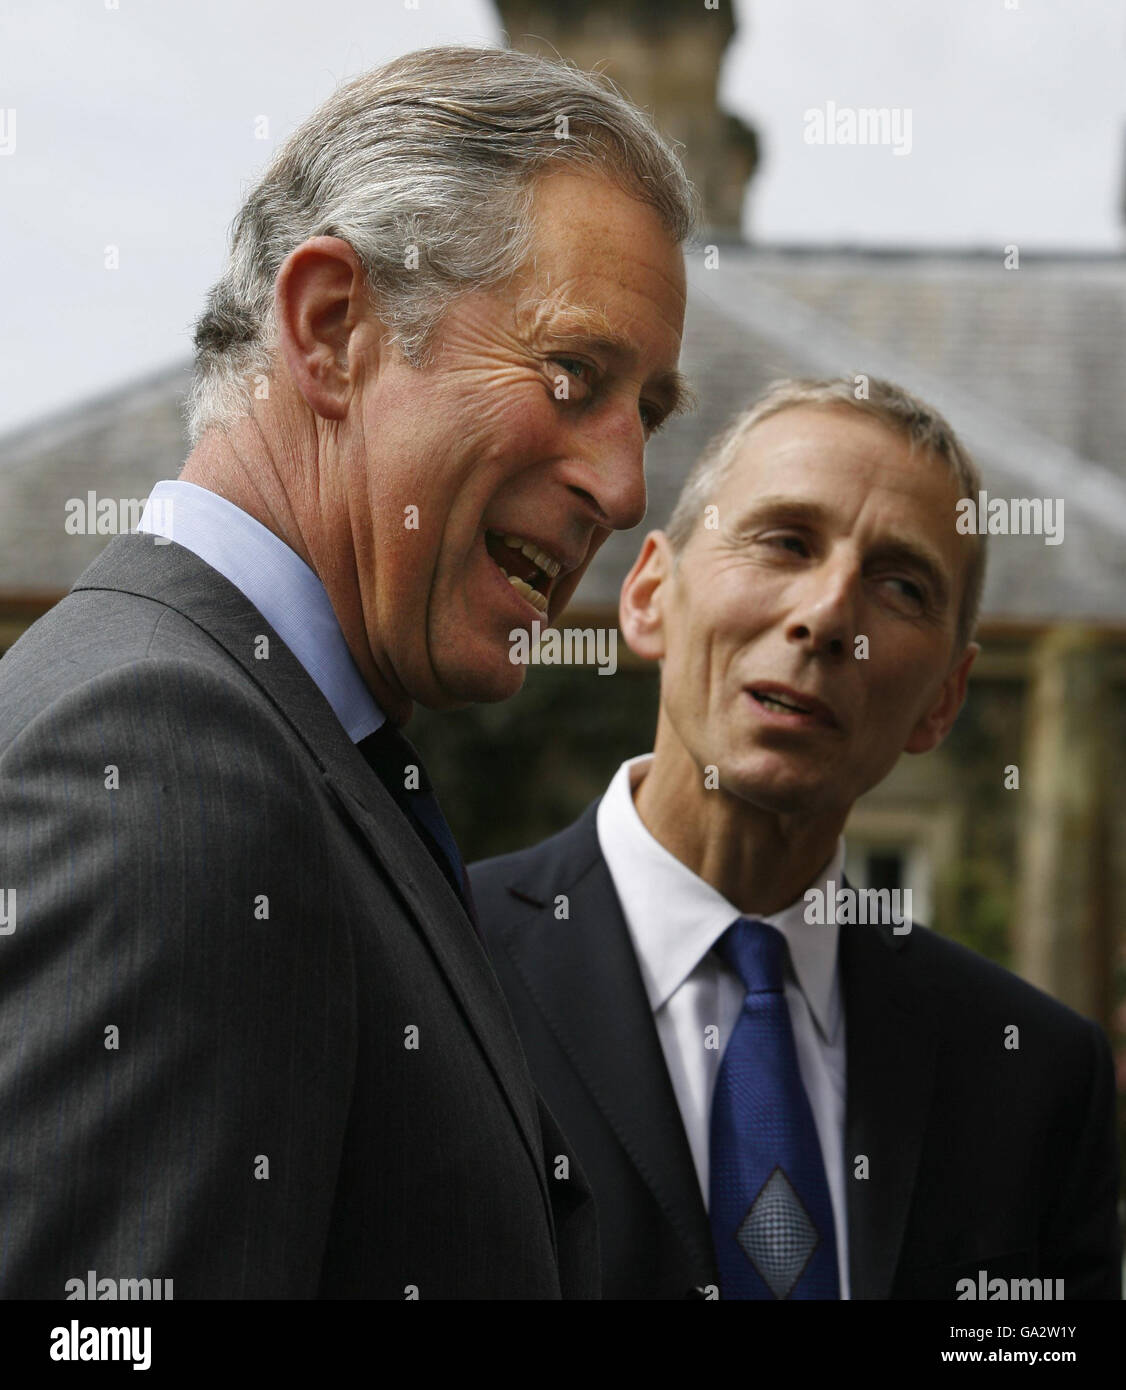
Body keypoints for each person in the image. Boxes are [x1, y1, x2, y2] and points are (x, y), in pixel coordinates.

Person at [0, 45, 693, 1298]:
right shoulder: (166, 754)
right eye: (573, 376)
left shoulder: (280, 732)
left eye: (645, 413)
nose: (625, 486)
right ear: (331, 330)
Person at [470, 377, 1122, 1300]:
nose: (829, 618)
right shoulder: (435, 966)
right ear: (651, 592)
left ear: (943, 699)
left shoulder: (1036, 1075)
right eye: (783, 541)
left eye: (902, 585)